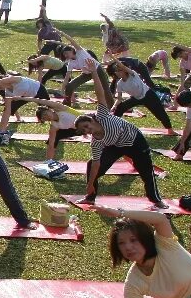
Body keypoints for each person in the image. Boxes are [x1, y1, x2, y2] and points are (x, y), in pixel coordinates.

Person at [70, 60, 165, 206]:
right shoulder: (95, 141)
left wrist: (94, 72)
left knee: (146, 171)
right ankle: (90, 197)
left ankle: (156, 200)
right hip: (115, 145)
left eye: (87, 126)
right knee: (91, 165)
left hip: (134, 141)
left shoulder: (102, 115)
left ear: (92, 120)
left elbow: (100, 92)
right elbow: (96, 164)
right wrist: (90, 184)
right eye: (84, 130)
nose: (87, 130)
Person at [106, 59, 175, 133]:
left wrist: (111, 56)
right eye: (116, 71)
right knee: (120, 107)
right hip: (136, 98)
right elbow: (119, 99)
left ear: (125, 70)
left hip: (148, 95)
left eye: (119, 70)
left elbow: (123, 66)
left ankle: (170, 130)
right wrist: (113, 107)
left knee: (160, 113)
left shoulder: (133, 75)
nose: (117, 73)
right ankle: (112, 126)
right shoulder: (120, 84)